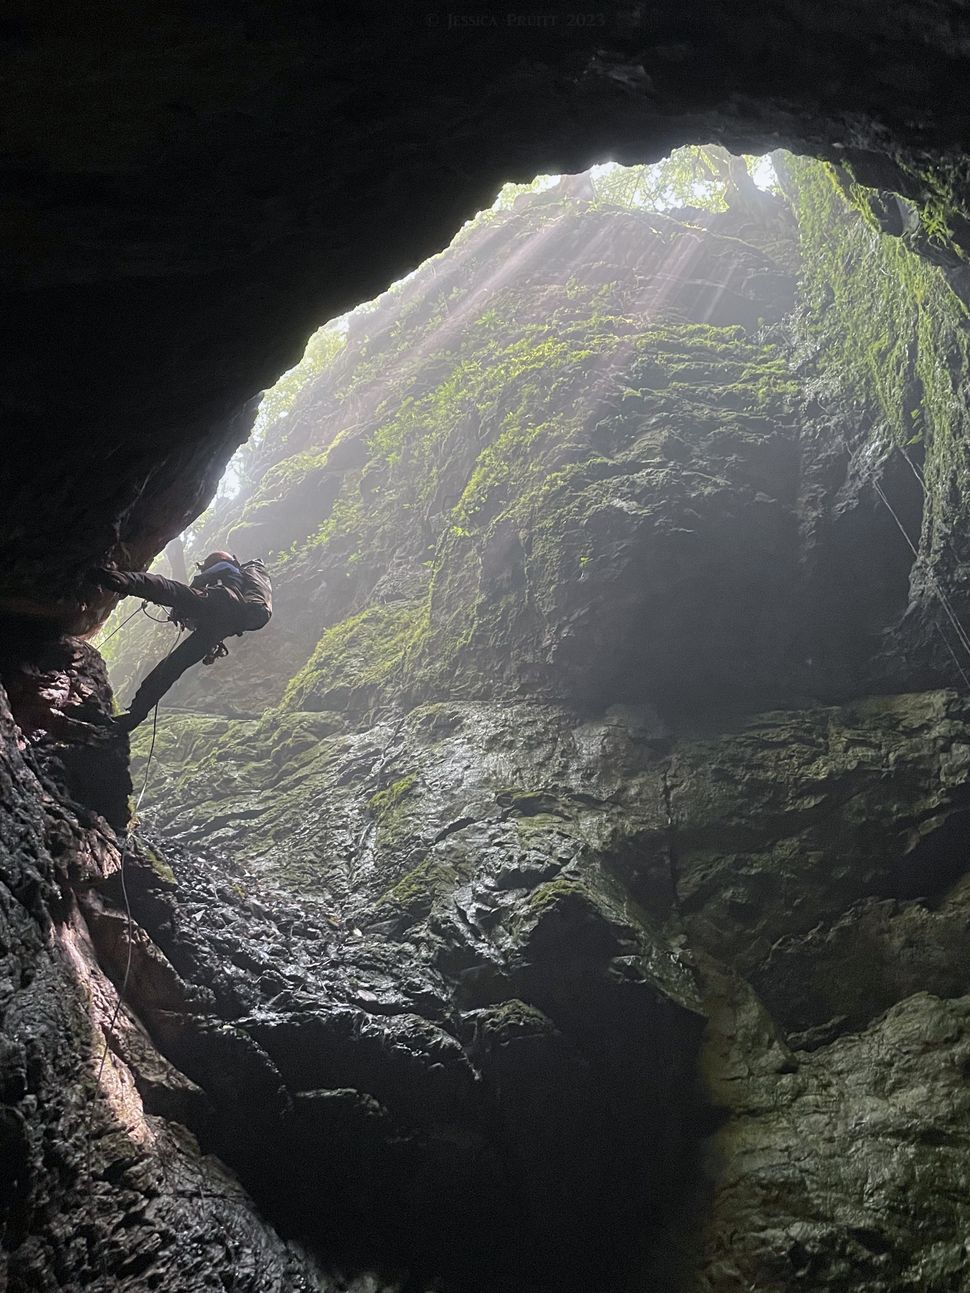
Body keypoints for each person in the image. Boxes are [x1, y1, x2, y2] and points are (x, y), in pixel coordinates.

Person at [90, 550, 272, 732]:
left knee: (166, 588)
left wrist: (182, 603)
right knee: (172, 667)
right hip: (223, 627)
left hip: (223, 602)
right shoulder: (241, 583)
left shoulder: (227, 567)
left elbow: (194, 586)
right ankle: (134, 717)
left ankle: (116, 579)